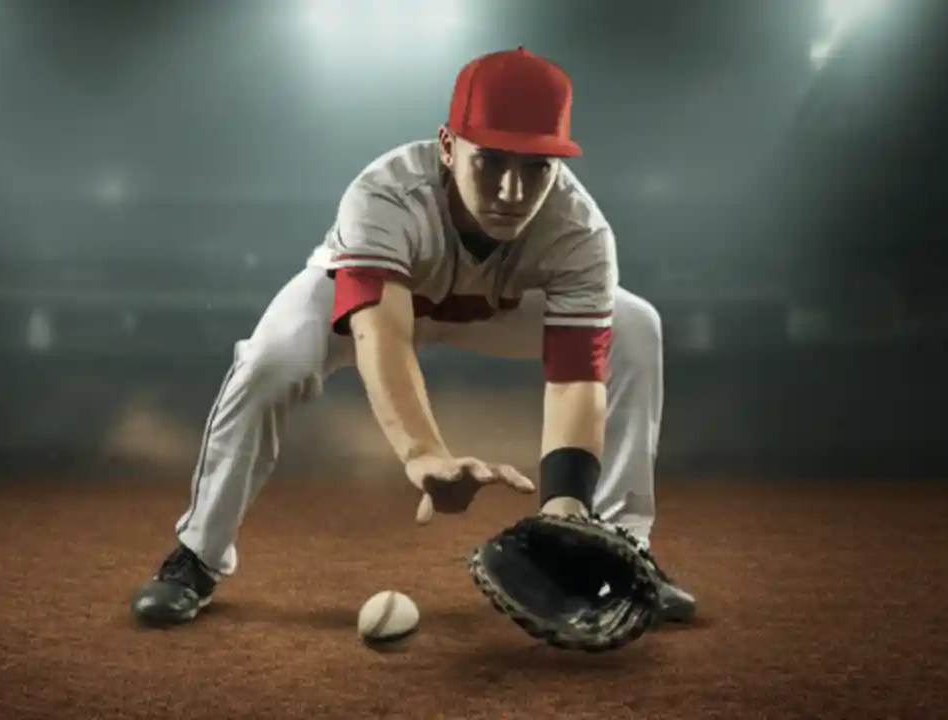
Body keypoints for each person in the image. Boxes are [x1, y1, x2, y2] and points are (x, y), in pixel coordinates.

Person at [131, 46, 696, 627]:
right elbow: (383, 337)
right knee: (273, 362)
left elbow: (575, 378)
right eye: (493, 161)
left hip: (493, 307)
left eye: (536, 168)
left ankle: (625, 548)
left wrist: (564, 509)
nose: (512, 190)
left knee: (634, 325)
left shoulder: (579, 229)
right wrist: (424, 453)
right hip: (361, 304)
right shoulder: (385, 195)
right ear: (448, 146)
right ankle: (196, 555)